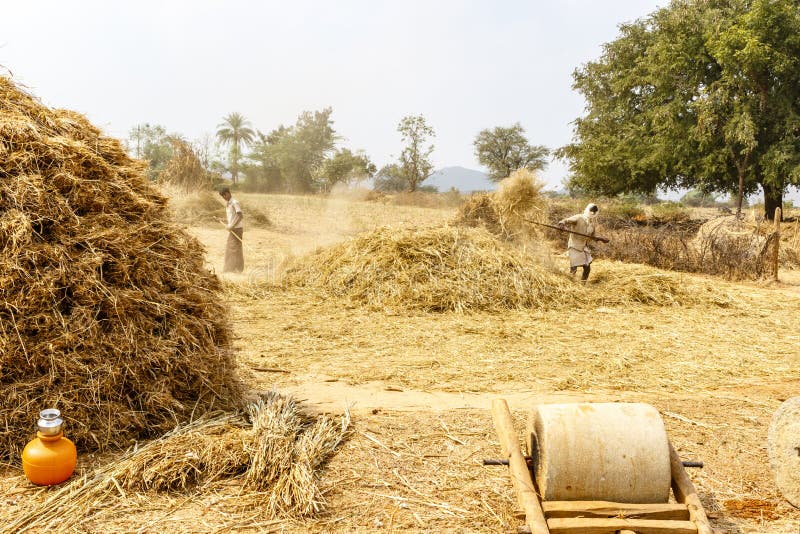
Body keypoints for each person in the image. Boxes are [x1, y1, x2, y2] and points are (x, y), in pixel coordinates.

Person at [558, 203, 600, 281]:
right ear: (588, 210)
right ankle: (570, 285)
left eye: (594, 211)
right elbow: (565, 220)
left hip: (584, 247)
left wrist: (601, 239)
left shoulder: (592, 223)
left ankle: (582, 285)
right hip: (574, 245)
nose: (593, 213)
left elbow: (592, 236)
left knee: (587, 268)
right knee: (574, 268)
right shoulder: (579, 217)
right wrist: (562, 224)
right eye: (591, 210)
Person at [219, 187, 244, 273]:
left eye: (224, 195)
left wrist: (231, 226)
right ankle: (238, 269)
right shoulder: (228, 204)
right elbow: (231, 218)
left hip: (237, 229)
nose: (224, 197)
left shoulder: (234, 202)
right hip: (234, 229)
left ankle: (230, 269)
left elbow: (240, 216)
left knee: (232, 248)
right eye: (223, 196)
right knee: (236, 249)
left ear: (228, 193)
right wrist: (221, 219)